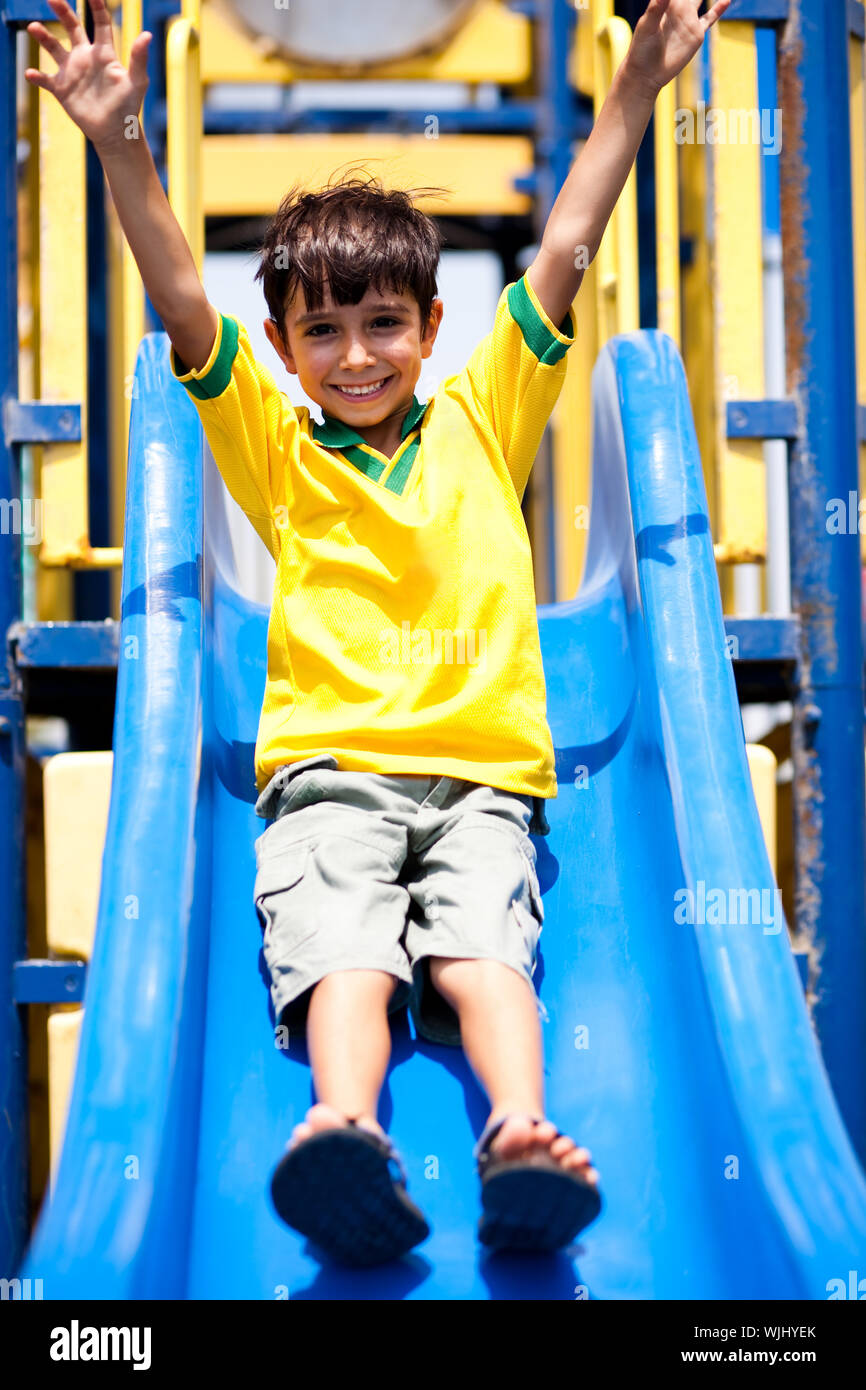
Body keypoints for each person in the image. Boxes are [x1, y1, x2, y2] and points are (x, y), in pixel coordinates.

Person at [26, 0, 729, 1267]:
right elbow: (183, 295)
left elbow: (567, 233)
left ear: (432, 325)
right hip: (329, 776)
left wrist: (631, 88)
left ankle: (518, 1130)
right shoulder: (275, 447)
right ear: (287, 351)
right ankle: (341, 1129)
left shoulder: (485, 411)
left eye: (383, 323)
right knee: (343, 948)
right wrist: (120, 141)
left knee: (480, 951)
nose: (356, 354)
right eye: (323, 331)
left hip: (481, 780)